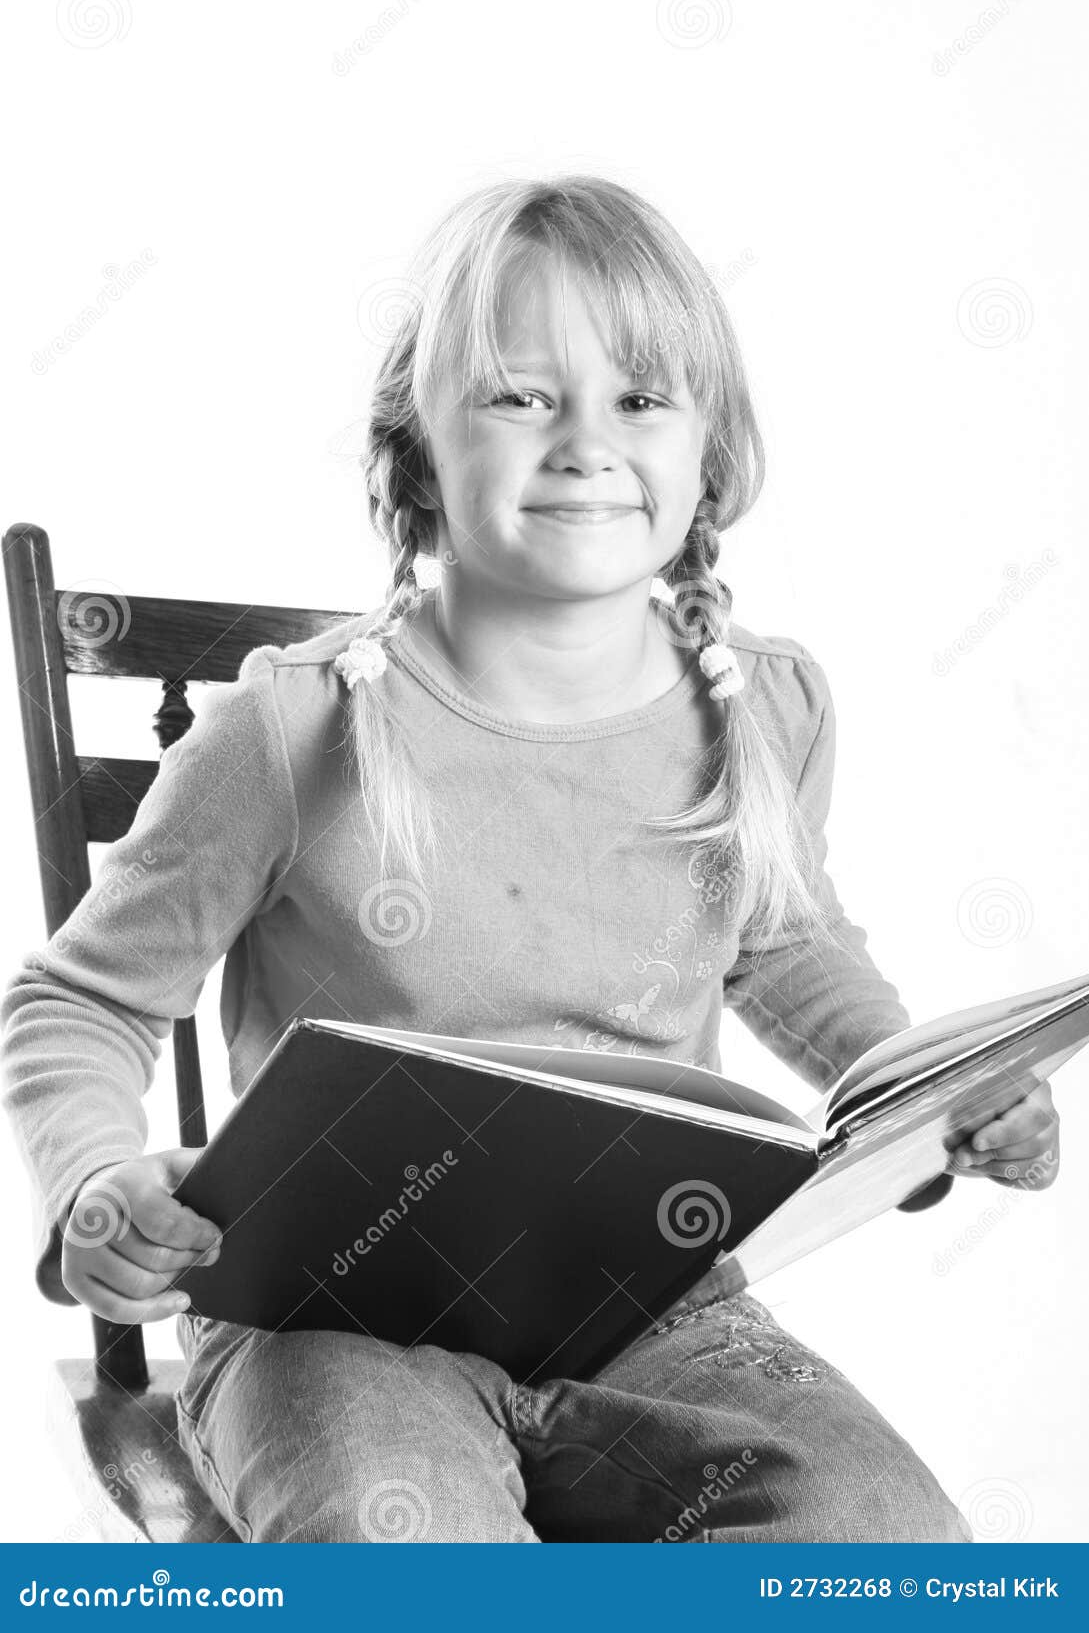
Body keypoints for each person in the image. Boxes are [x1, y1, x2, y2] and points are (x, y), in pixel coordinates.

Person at [0, 175, 1058, 1544]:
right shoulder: (293, 728)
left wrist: (932, 1093)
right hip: (334, 1318)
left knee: (887, 1542)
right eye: (517, 395)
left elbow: (787, 942)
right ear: (418, 449)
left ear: (709, 453)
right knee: (401, 1547)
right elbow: (80, 999)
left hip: (653, 1304)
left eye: (638, 397)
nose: (582, 444)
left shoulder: (759, 708)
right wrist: (95, 1179)